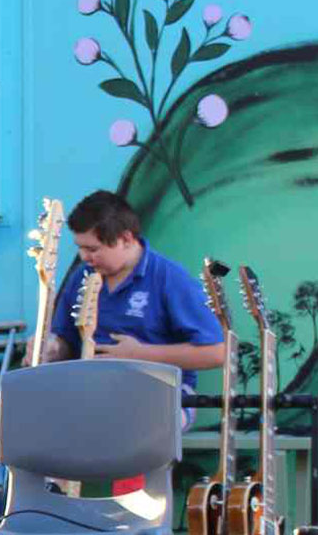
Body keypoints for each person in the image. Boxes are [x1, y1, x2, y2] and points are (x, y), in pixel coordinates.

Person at [42, 190, 224, 492]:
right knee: (44, 423)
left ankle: (133, 519)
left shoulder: (168, 277)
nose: (85, 257)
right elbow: (64, 340)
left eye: (94, 249)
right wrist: (50, 347)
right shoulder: (82, 277)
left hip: (162, 394)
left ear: (126, 239)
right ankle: (55, 511)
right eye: (80, 249)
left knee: (139, 427)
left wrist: (142, 354)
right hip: (90, 392)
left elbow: (217, 352)